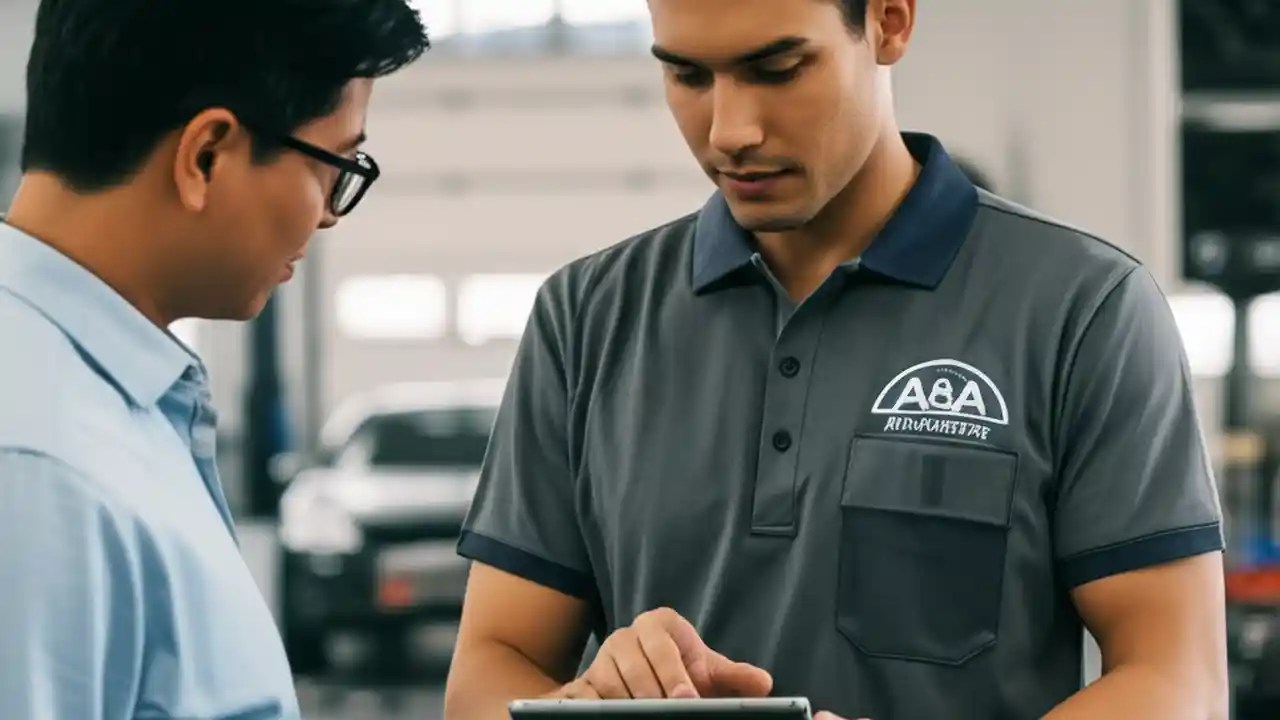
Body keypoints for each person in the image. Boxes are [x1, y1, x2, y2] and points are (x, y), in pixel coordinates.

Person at [445, 1, 1229, 719]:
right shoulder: (586, 320)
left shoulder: (1081, 310)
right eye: (686, 74)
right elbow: (490, 668)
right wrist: (592, 703)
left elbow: (1175, 680)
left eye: (777, 69)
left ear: (889, 21)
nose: (730, 130)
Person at [0, 1, 428, 718]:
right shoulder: (38, 472)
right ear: (207, 156)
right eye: (336, 166)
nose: (327, 213)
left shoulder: (105, 406)